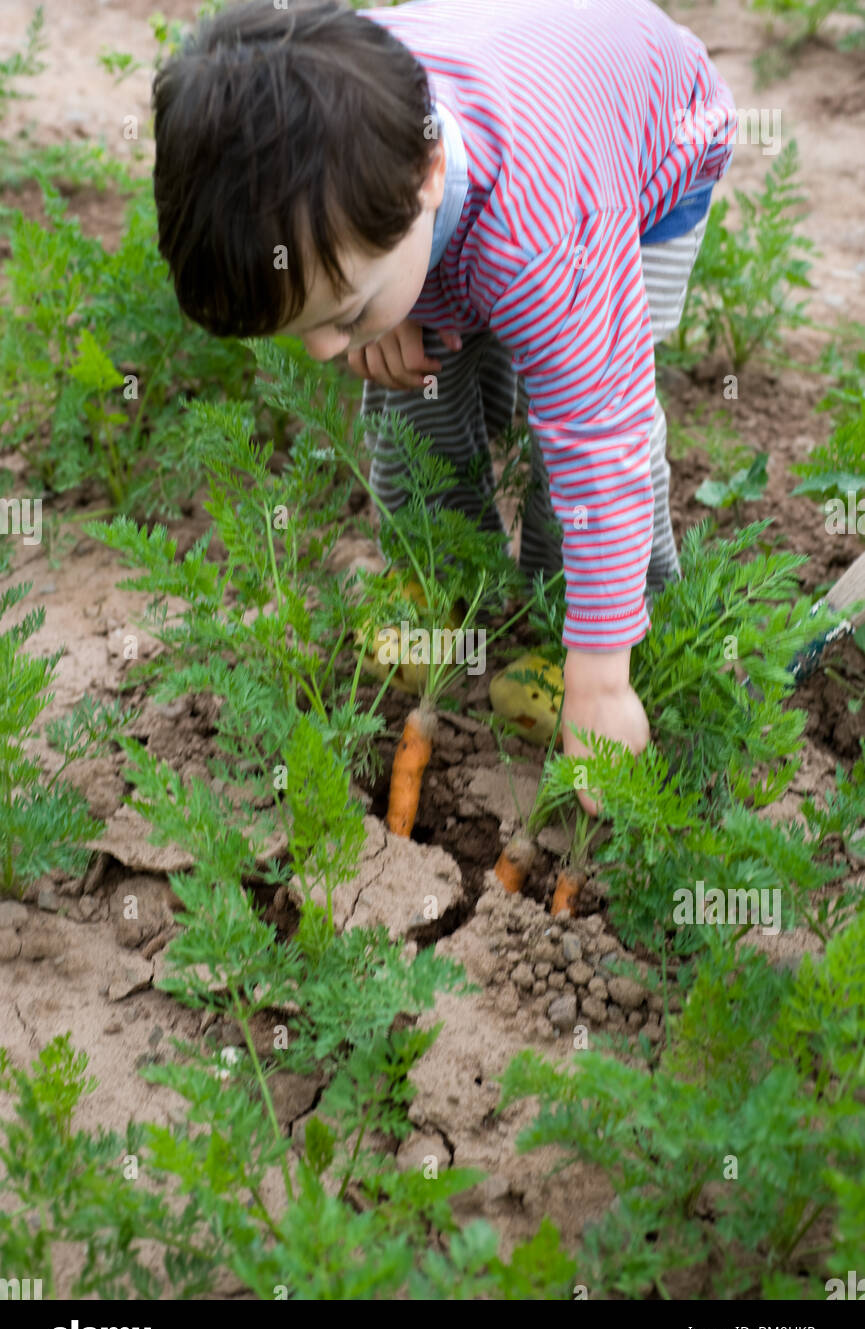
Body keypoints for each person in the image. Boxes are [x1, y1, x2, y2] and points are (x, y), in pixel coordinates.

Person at [152, 0, 738, 813]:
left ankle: (560, 614)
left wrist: (599, 683)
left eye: (342, 317)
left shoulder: (544, 240)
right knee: (413, 380)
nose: (327, 353)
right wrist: (372, 315)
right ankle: (453, 577)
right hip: (502, 115)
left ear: (426, 176)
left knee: (573, 400)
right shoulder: (345, 139)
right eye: (305, 329)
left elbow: (603, 443)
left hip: (651, 146)